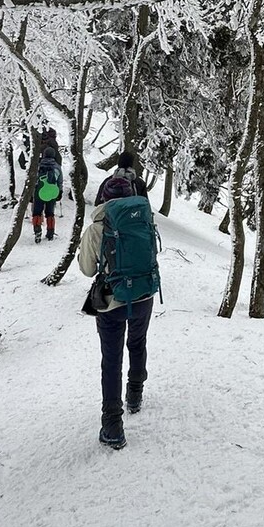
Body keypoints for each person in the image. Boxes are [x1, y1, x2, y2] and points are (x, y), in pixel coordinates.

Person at [79, 171, 154, 450]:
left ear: (104, 200)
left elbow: (87, 269)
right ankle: (135, 395)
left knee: (111, 360)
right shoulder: (143, 220)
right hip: (144, 296)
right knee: (138, 343)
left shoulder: (96, 228)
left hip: (111, 301)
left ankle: (113, 426)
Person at [32, 143, 64, 242]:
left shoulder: (38, 166)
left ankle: (37, 230)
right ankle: (50, 233)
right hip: (52, 192)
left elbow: (33, 179)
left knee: (37, 212)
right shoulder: (57, 167)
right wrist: (59, 192)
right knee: (50, 213)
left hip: (39, 192)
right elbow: (60, 181)